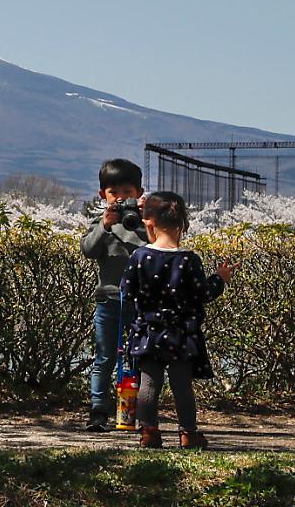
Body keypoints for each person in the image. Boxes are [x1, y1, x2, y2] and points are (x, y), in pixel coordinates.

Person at [121, 191, 234, 449]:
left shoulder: (139, 257)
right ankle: (188, 433)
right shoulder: (189, 260)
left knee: (149, 383)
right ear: (182, 223)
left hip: (149, 332)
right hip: (182, 335)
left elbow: (126, 290)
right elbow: (203, 293)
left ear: (147, 222)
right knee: (182, 385)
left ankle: (149, 432)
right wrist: (220, 278)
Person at [80, 158, 147, 432]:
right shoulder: (100, 223)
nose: (121, 199)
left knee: (140, 357)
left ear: (139, 194)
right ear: (102, 195)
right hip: (108, 299)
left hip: (141, 302)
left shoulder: (146, 223)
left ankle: (141, 411)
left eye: (127, 193)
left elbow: (159, 247)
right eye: (114, 193)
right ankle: (98, 411)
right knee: (104, 357)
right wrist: (105, 226)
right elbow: (88, 249)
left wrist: (148, 218)